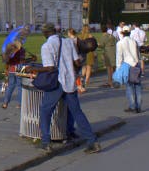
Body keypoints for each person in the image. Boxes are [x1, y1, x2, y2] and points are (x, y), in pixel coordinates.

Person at [25, 23, 101, 154]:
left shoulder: (47, 46)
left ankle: (45, 142)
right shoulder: (68, 42)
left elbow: (50, 68)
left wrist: (33, 68)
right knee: (77, 112)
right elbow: (77, 62)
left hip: (57, 82)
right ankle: (92, 141)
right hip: (70, 80)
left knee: (45, 111)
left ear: (45, 34)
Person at [116, 29, 142, 113]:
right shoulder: (134, 41)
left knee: (129, 86)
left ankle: (132, 106)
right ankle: (138, 106)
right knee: (138, 86)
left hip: (127, 65)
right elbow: (138, 54)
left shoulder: (120, 43)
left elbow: (119, 57)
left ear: (122, 33)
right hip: (136, 64)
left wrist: (118, 68)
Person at [2, 40, 27, 109]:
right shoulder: (22, 50)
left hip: (11, 70)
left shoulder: (11, 51)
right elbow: (23, 61)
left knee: (10, 87)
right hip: (19, 70)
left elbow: (7, 61)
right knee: (20, 87)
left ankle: (5, 103)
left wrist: (6, 69)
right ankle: (20, 104)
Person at [78, 25, 95, 90]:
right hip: (89, 52)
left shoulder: (80, 36)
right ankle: (86, 80)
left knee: (84, 66)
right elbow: (92, 45)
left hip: (83, 52)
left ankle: (82, 78)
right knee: (89, 67)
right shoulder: (90, 36)